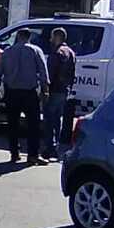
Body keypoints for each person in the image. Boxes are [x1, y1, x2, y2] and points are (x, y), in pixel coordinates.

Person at [0, 28, 50, 165]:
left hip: (11, 92)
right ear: (29, 37)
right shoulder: (35, 50)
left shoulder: (7, 52)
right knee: (33, 125)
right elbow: (43, 71)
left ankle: (14, 153)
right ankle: (32, 155)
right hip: (29, 93)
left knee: (12, 124)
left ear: (18, 37)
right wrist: (45, 90)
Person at [42, 27, 76, 159]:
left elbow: (49, 74)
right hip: (64, 90)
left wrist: (45, 90)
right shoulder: (71, 53)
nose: (50, 39)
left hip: (54, 89)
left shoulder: (56, 53)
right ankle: (56, 147)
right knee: (57, 120)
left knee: (49, 120)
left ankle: (49, 148)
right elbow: (73, 73)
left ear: (57, 37)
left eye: (52, 36)